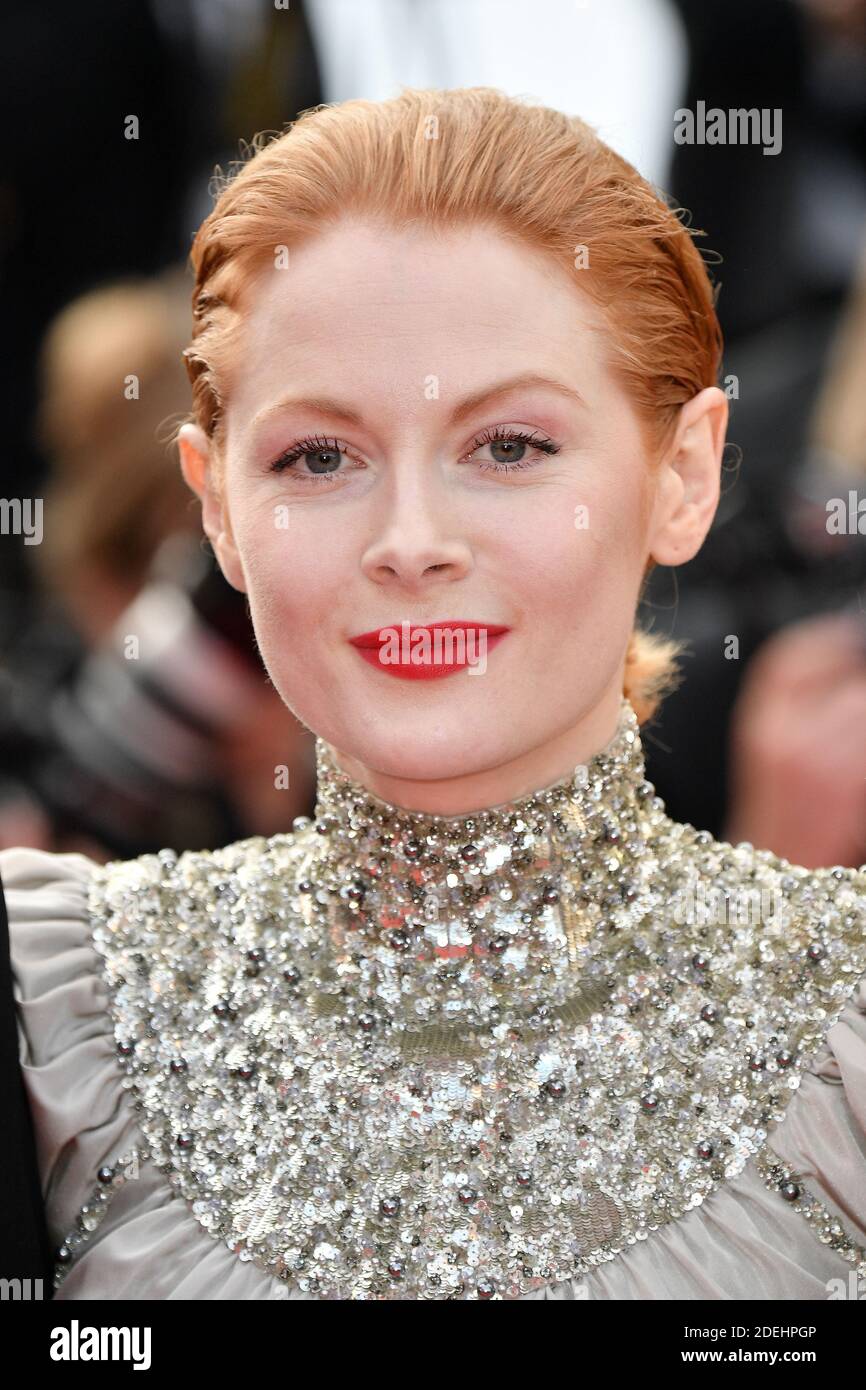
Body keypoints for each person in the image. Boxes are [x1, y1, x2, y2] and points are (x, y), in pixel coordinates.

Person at [2, 85, 865, 1301]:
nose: (411, 541)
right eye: (319, 457)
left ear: (683, 474)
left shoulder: (843, 1017)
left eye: (507, 447)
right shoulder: (50, 1009)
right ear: (217, 511)